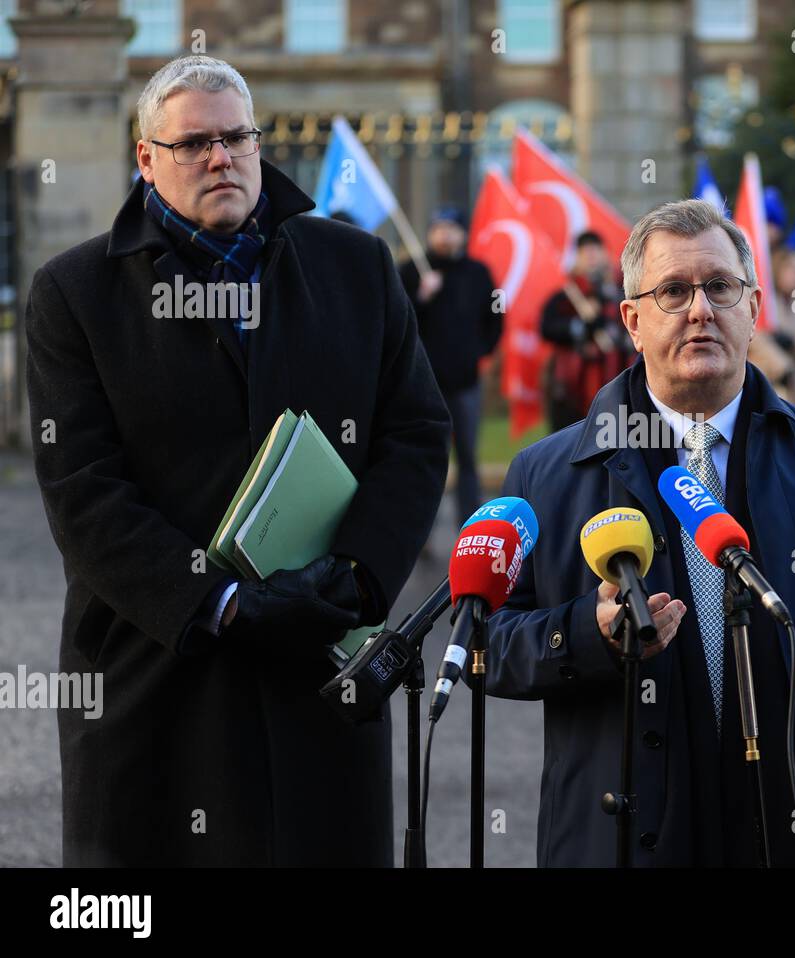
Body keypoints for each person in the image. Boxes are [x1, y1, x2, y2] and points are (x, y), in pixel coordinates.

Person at [24, 55, 450, 866]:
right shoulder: (74, 292)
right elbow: (81, 489)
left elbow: (416, 431)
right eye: (193, 145)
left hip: (319, 662)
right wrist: (216, 600)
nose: (221, 158)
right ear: (145, 160)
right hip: (160, 675)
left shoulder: (355, 266)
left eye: (237, 138)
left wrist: (356, 576)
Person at [485, 198, 795, 867]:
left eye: (720, 288)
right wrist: (586, 633)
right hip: (623, 843)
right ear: (633, 321)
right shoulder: (548, 473)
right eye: (673, 291)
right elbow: (484, 645)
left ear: (755, 308)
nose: (700, 309)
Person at [399, 206, 502, 525]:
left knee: (468, 457)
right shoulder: (411, 271)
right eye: (438, 228)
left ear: (463, 233)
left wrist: (479, 352)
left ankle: (469, 527)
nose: (444, 235)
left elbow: (496, 313)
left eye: (451, 228)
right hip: (423, 385)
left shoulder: (479, 272)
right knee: (425, 456)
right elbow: (395, 319)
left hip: (466, 382)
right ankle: (420, 529)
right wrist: (420, 297)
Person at [540, 230, 634, 431]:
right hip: (571, 386)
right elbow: (546, 328)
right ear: (578, 257)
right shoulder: (566, 295)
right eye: (585, 251)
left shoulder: (622, 291)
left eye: (595, 250)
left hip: (614, 379)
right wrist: (580, 326)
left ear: (604, 254)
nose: (590, 256)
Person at [747, 247, 795, 414]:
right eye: (794, 270)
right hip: (772, 378)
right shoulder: (767, 303)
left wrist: (793, 342)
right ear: (779, 270)